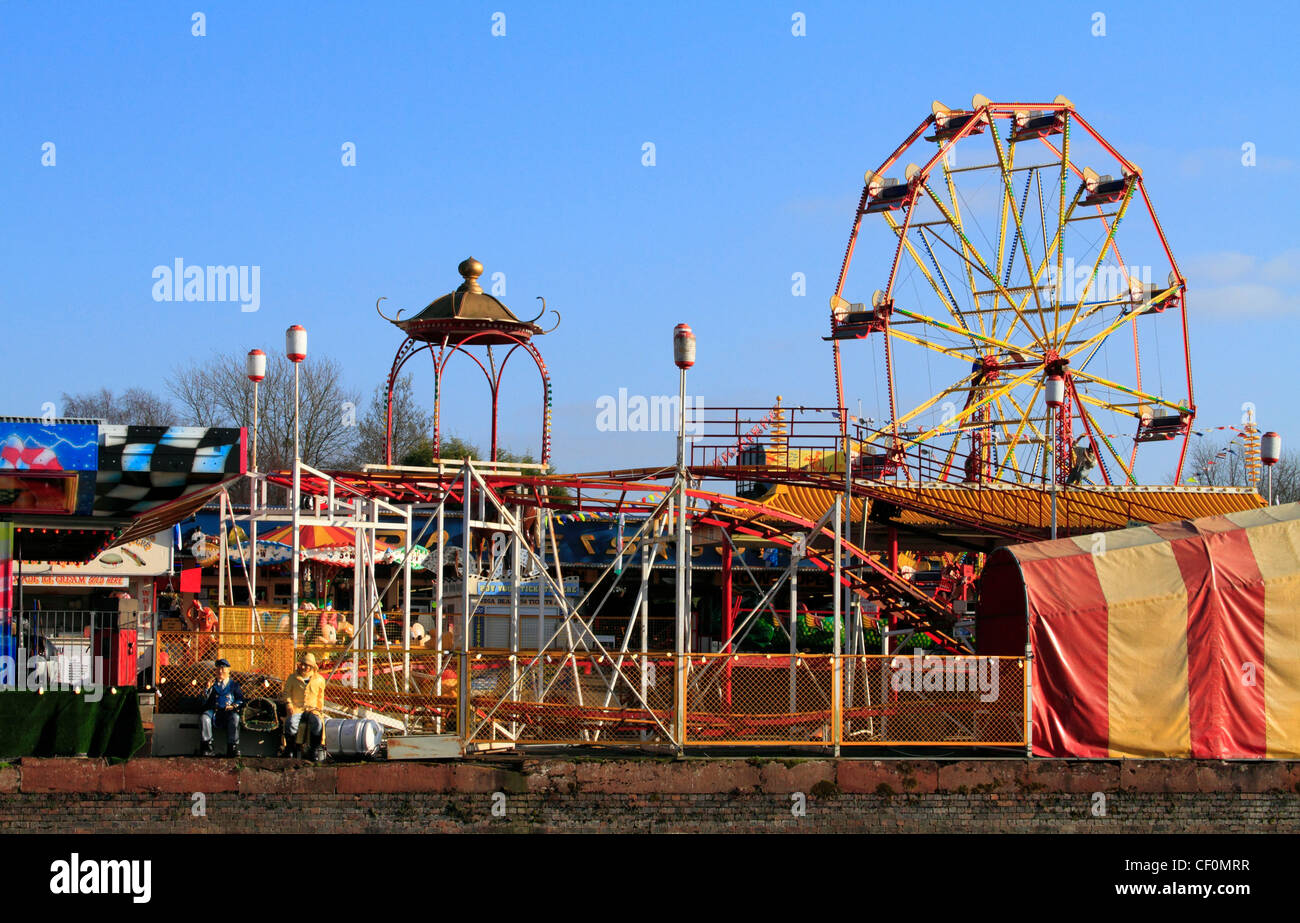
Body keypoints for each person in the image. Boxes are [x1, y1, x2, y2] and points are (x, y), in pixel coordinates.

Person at [282, 652, 327, 761]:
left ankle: (314, 750)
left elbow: (320, 697)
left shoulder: (319, 679)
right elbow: (286, 693)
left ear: (312, 667)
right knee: (291, 723)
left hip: (312, 709)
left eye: (307, 665)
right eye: (302, 664)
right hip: (297, 708)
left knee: (317, 724)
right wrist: (289, 704)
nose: (303, 667)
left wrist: (319, 710)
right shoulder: (292, 678)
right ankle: (290, 748)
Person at [199, 659, 245, 757]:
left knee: (235, 718)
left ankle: (233, 746)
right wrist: (207, 689)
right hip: (214, 712)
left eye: (223, 669)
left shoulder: (233, 685)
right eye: (218, 669)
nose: (220, 671)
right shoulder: (212, 684)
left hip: (228, 712)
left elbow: (240, 699)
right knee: (205, 718)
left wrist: (233, 706)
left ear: (228, 670)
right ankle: (207, 745)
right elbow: (203, 701)